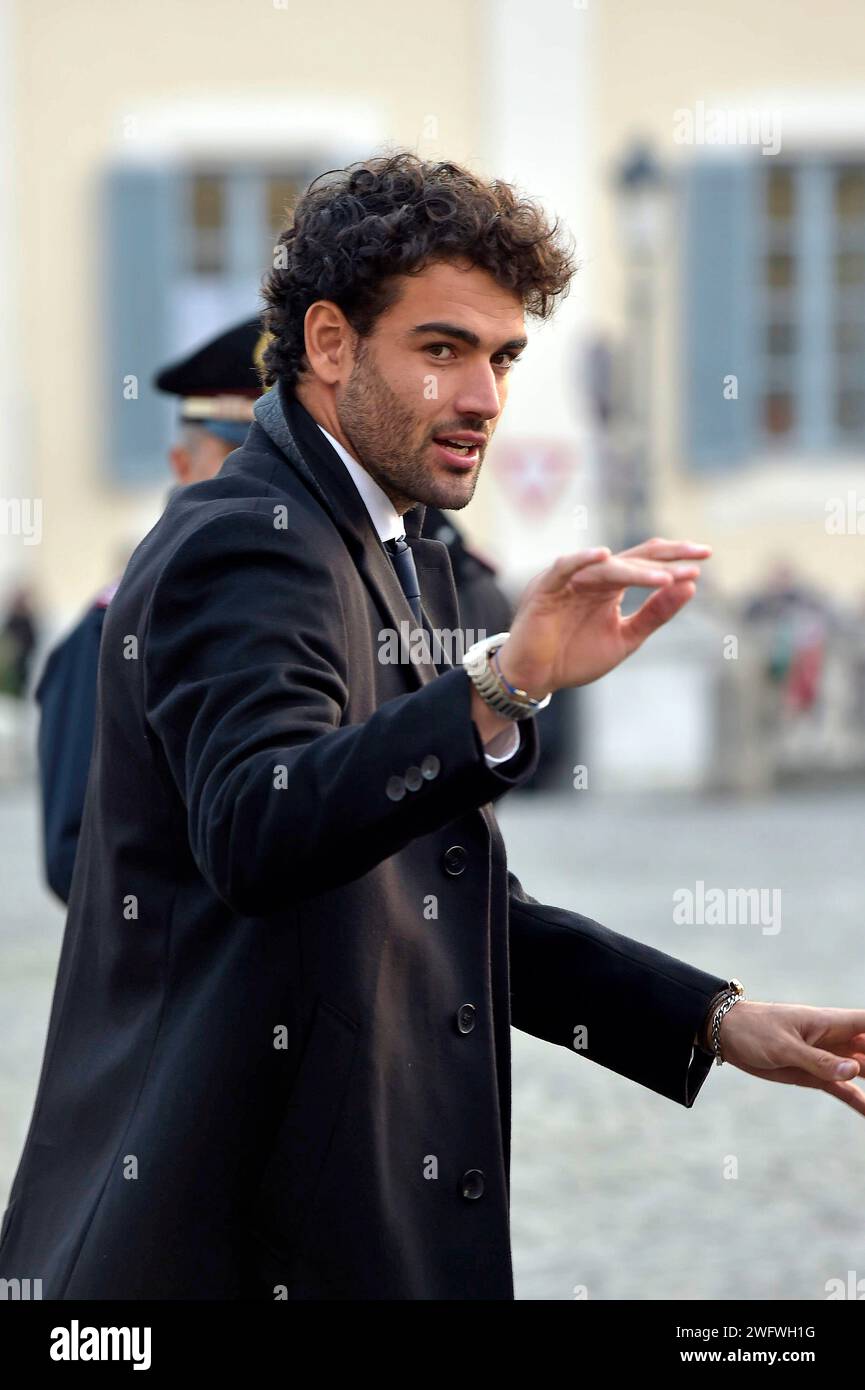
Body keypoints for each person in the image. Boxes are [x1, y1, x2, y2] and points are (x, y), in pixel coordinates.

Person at [2, 153, 864, 1303]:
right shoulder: (247, 539)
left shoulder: (388, 549)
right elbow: (260, 830)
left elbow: (446, 903)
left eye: (502, 356)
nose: (485, 398)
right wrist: (499, 685)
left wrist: (712, 1018)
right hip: (229, 1244)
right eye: (442, 349)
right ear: (329, 344)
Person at [34, 318, 267, 903]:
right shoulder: (109, 631)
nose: (261, 479)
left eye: (274, 457)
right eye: (235, 454)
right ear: (182, 465)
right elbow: (76, 855)